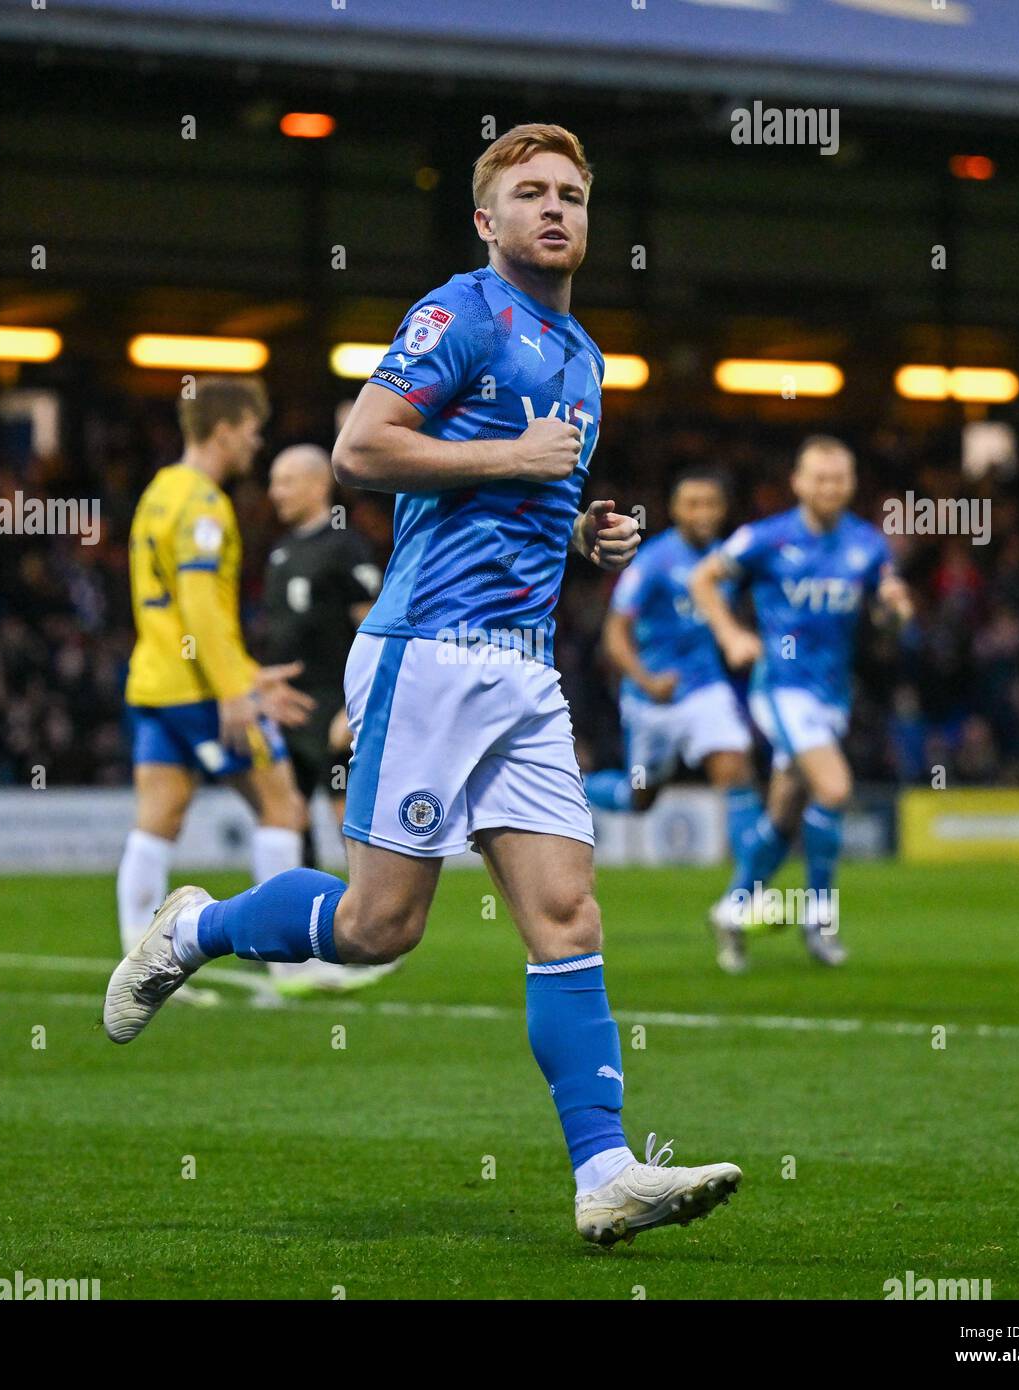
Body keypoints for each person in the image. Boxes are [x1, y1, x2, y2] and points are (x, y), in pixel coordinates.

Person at [104, 124, 742, 1246]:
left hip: (525, 666)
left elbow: (524, 496)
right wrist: (512, 459)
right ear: (487, 221)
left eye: (572, 193)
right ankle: (195, 929)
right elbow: (362, 450)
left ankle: (603, 1172)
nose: (556, 208)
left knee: (566, 914)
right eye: (530, 193)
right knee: (378, 927)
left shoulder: (584, 354)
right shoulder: (459, 314)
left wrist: (585, 532)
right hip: (430, 652)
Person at [115, 376, 314, 998]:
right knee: (283, 806)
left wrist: (245, 672)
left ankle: (139, 971)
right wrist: (234, 688)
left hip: (155, 682)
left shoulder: (158, 492)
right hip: (200, 688)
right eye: (253, 431)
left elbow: (173, 608)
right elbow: (200, 607)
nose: (257, 443)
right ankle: (289, 963)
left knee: (159, 817)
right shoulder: (204, 503)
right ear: (224, 431)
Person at [690, 435, 913, 973]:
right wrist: (730, 635)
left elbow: (889, 611)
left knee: (786, 810)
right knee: (834, 788)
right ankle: (819, 920)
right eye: (820, 478)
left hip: (832, 694)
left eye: (839, 478)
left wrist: (895, 610)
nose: (830, 487)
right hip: (781, 688)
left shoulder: (867, 545)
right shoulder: (766, 538)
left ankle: (732, 908)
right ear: (798, 482)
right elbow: (704, 578)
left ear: (851, 483)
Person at [259, 442, 394, 997]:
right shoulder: (280, 552)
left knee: (350, 823)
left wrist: (356, 705)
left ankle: (368, 933)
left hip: (336, 709)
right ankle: (297, 939)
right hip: (286, 710)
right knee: (287, 821)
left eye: (285, 481)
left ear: (319, 485)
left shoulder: (344, 546)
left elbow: (377, 625)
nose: (274, 492)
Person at [584, 469, 757, 858]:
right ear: (675, 509)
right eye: (692, 504)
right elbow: (615, 633)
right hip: (652, 697)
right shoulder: (654, 560)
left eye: (711, 504)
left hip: (705, 687)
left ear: (724, 509)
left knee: (734, 766)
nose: (703, 513)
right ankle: (576, 787)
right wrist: (646, 680)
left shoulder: (726, 561)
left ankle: (749, 883)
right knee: (639, 798)